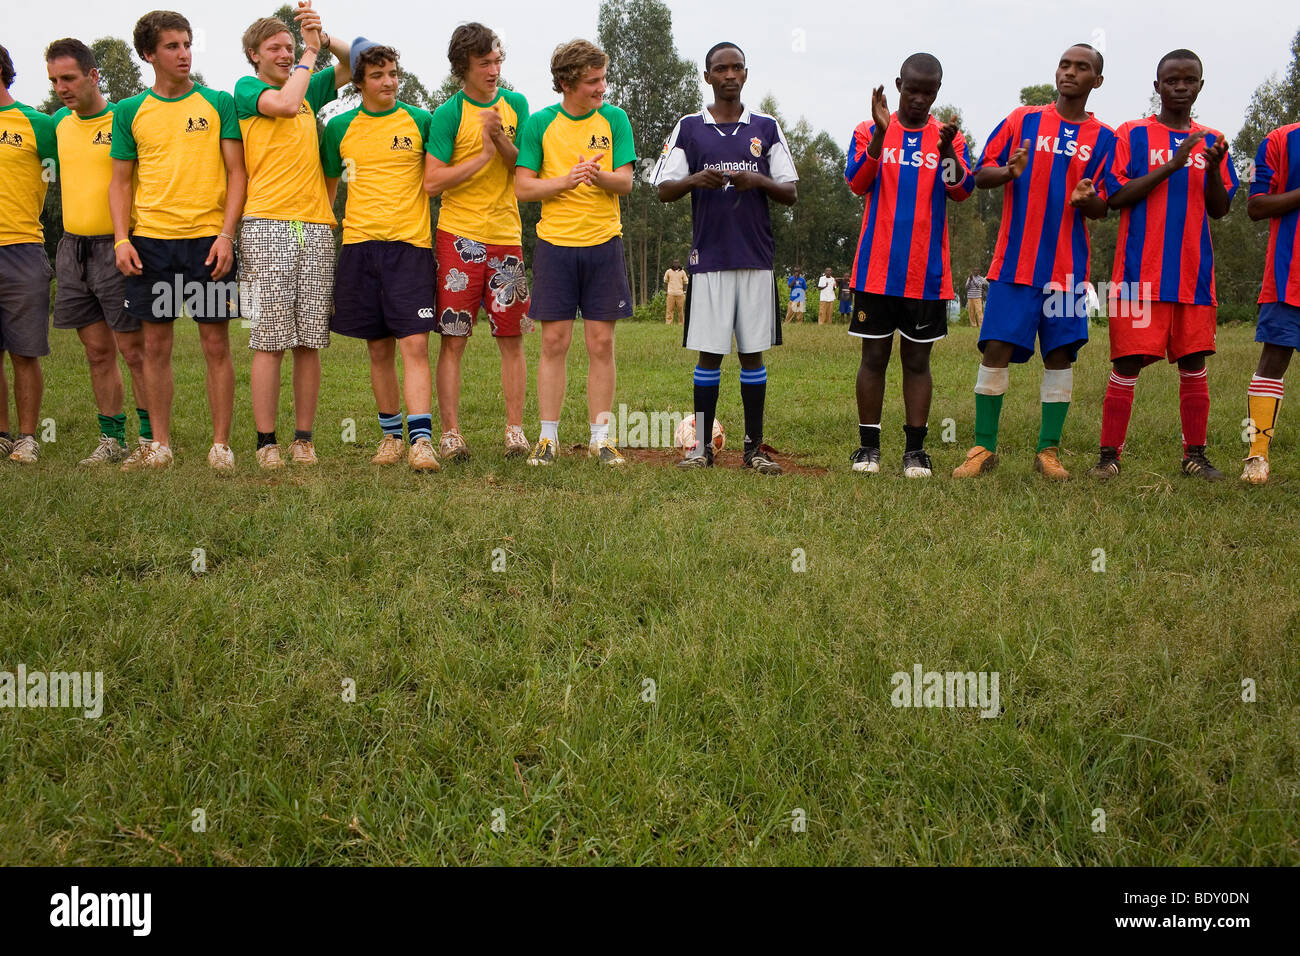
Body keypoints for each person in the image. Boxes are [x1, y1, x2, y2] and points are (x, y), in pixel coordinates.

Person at [952, 44, 1115, 480]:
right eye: (1065, 64)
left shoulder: (1105, 138)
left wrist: (1089, 200)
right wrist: (1008, 172)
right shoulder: (1023, 119)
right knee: (996, 349)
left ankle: (1048, 452)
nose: (1070, 73)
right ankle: (983, 447)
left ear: (1096, 81)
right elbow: (977, 175)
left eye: (1082, 68)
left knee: (1059, 355)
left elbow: (1106, 205)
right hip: (1013, 265)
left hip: (1067, 271)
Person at [110, 10, 246, 472]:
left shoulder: (218, 102)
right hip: (151, 244)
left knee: (215, 345)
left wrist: (228, 235)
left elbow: (237, 172)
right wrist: (120, 239)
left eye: (187, 44)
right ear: (149, 54)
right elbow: (121, 184)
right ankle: (160, 446)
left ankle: (221, 446)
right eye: (172, 46)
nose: (184, 53)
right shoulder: (129, 111)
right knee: (155, 348)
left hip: (208, 242)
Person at [652, 40, 797, 474]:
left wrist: (758, 181)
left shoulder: (766, 127)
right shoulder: (690, 128)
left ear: (746, 75)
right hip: (708, 259)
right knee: (709, 355)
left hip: (755, 258)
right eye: (721, 69)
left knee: (753, 355)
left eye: (737, 68)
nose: (730, 75)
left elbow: (789, 191)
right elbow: (661, 187)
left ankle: (754, 448)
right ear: (708, 76)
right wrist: (696, 178)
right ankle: (702, 448)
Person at [1091, 50, 1236, 483]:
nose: (1180, 86)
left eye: (1189, 80)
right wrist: (1173, 165)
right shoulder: (1132, 135)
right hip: (1140, 275)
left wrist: (1210, 171)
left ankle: (1195, 455)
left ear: (1200, 86)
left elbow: (1221, 207)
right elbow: (1115, 196)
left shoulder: (1213, 140)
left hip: (1193, 275)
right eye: (1171, 80)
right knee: (1128, 364)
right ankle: (1109, 456)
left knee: (1193, 364)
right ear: (1157, 87)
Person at [844, 52, 974, 477]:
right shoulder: (868, 129)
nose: (919, 98)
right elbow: (857, 182)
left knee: (917, 362)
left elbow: (962, 190)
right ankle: (868, 448)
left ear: (937, 91)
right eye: (912, 89)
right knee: (874, 356)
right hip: (875, 270)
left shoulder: (948, 136)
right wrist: (882, 135)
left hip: (927, 274)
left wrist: (947, 153)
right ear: (899, 85)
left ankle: (915, 452)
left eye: (928, 91)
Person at [237, 6, 353, 470]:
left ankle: (303, 440)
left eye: (288, 47)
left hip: (317, 227)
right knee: (269, 340)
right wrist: (307, 53)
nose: (285, 55)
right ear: (254, 55)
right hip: (267, 224)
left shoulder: (306, 85)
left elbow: (357, 63)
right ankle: (267, 442)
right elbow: (284, 105)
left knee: (309, 340)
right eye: (275, 49)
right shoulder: (249, 90)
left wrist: (322, 37)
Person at [321, 39, 440, 471]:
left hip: (410, 248)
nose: (389, 81)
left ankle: (422, 441)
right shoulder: (339, 128)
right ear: (359, 83)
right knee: (377, 348)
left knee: (414, 344)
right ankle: (391, 436)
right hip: (359, 248)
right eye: (377, 75)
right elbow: (332, 187)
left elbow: (438, 175)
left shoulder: (421, 121)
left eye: (393, 73)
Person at [515, 39, 635, 466]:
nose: (601, 87)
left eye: (603, 78)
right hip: (555, 247)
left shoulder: (616, 119)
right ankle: (547, 439)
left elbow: (626, 182)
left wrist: (597, 176)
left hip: (604, 243)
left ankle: (601, 439)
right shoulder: (539, 124)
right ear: (566, 83)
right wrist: (566, 180)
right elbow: (523, 187)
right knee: (554, 341)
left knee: (601, 342)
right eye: (592, 81)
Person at [425, 22, 532, 461]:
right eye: (484, 63)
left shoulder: (517, 104)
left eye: (497, 61)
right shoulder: (448, 113)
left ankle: (515, 431)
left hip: (507, 237)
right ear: (462, 68)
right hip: (458, 237)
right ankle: (451, 434)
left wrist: (500, 139)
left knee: (512, 338)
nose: (494, 70)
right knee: (453, 338)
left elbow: (525, 168)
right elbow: (433, 181)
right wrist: (482, 155)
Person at [0, 44, 56, 463]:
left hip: (21, 247)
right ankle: (1, 434)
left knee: (24, 351)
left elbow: (64, 176)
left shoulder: (37, 124)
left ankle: (28, 437)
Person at [1240, 120, 1300, 484]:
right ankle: (1255, 455)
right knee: (1272, 362)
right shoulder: (1278, 140)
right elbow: (1256, 205)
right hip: (1289, 274)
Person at [663, 259, 688, 324]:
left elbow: (685, 282)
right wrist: (666, 291)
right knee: (669, 310)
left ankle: (681, 323)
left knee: (680, 310)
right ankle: (668, 323)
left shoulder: (682, 272)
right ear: (673, 263)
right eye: (675, 263)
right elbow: (665, 282)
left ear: (679, 264)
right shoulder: (668, 271)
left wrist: (684, 291)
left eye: (677, 263)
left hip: (680, 294)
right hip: (670, 293)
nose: (676, 264)